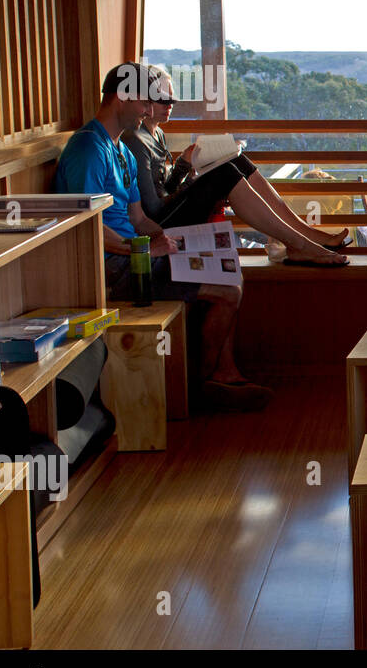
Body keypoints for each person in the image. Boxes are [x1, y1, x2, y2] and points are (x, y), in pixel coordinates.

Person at [55, 63, 268, 411]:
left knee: (225, 265)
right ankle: (202, 387)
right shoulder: (88, 150)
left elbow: (138, 217)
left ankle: (222, 375)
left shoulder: (121, 152)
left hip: (138, 254)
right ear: (122, 97)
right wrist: (145, 250)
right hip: (118, 268)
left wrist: (177, 240)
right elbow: (84, 228)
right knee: (228, 291)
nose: (147, 111)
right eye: (143, 101)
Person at [122, 66, 348, 267]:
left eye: (172, 99)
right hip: (159, 224)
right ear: (146, 99)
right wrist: (189, 176)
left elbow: (166, 188)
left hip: (168, 210)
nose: (170, 105)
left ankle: (305, 234)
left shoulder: (157, 134)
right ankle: (298, 244)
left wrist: (183, 164)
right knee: (225, 175)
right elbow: (153, 209)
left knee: (236, 160)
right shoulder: (136, 140)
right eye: (162, 99)